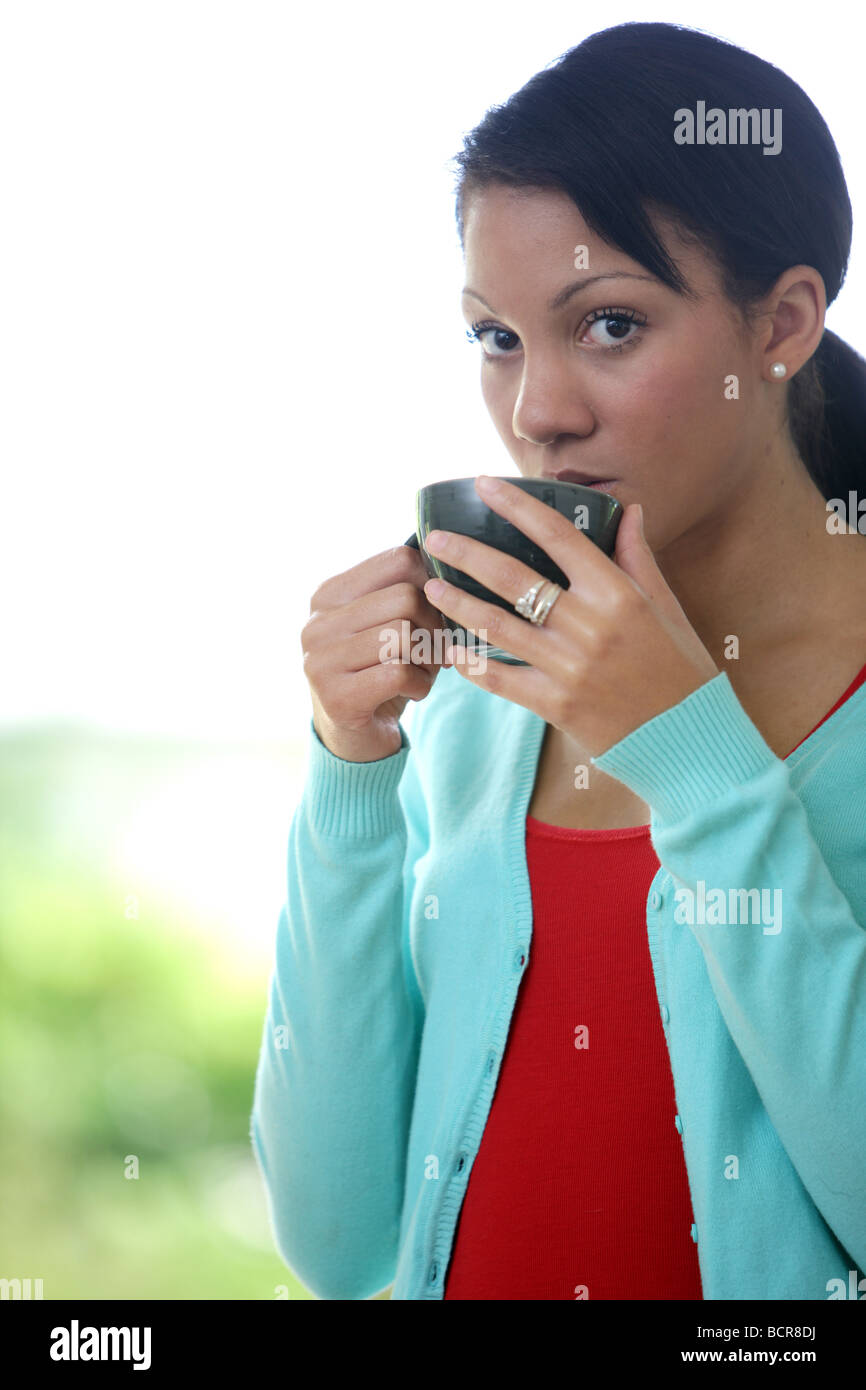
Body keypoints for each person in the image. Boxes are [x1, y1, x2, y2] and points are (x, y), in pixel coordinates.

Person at [250, 21, 866, 1300]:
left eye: (607, 326)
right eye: (496, 337)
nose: (537, 410)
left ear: (784, 323)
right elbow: (335, 1235)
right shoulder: (486, 699)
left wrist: (693, 764)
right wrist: (350, 769)